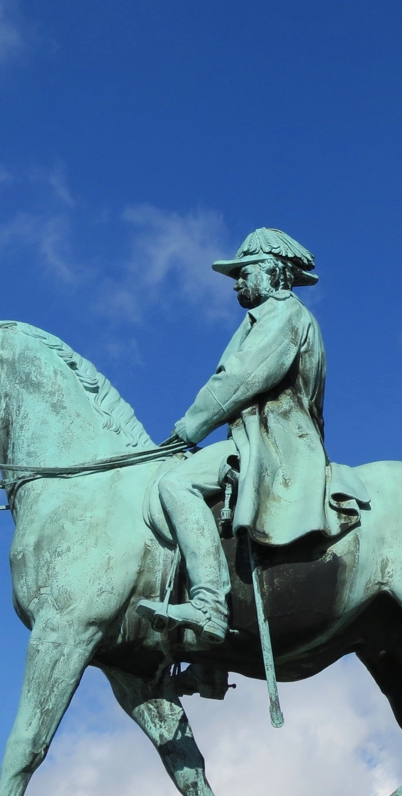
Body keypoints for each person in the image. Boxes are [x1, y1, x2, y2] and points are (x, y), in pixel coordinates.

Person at [135, 228, 341, 644]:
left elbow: (238, 380)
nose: (237, 283)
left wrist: (187, 430)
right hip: (258, 437)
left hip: (277, 441)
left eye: (244, 273)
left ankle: (208, 604)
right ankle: (209, 659)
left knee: (176, 484)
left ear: (270, 272)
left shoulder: (284, 314)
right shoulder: (266, 317)